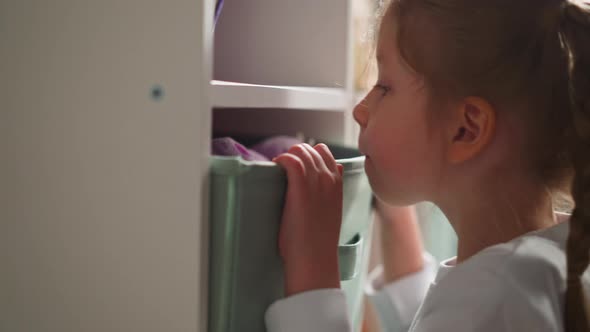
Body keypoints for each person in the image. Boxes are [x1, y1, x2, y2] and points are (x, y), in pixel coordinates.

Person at [265, 0, 590, 331]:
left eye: (384, 88)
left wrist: (315, 270)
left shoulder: (497, 297)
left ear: (466, 129)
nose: (360, 111)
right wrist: (396, 219)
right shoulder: (544, 264)